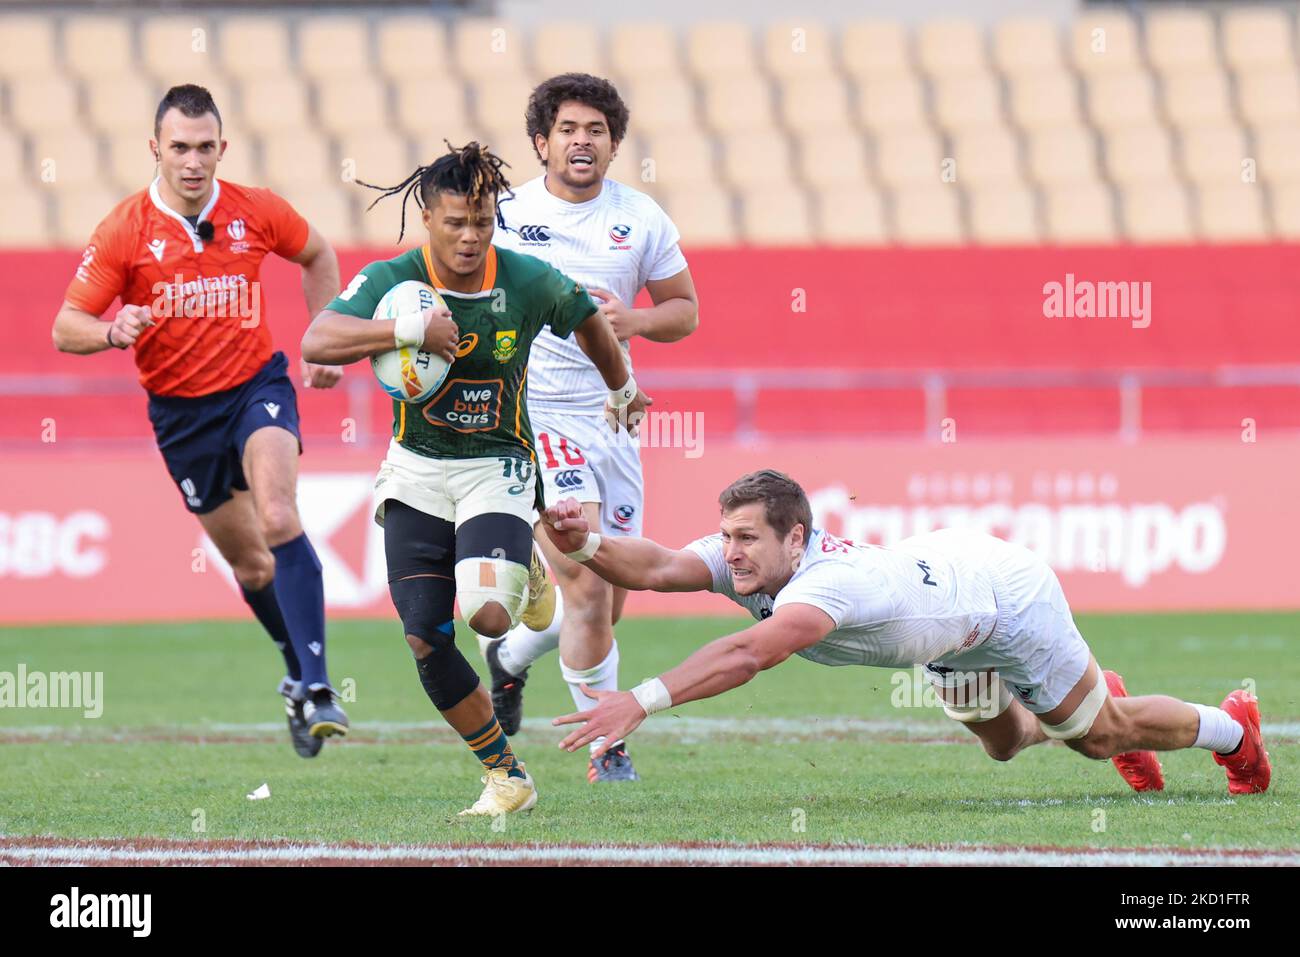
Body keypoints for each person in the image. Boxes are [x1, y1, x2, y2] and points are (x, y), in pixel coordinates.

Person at [544, 470, 1271, 796]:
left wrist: (638, 698)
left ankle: (1234, 732)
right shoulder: (751, 556)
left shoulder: (825, 587)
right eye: (726, 534)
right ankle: (1091, 700)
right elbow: (662, 565)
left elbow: (748, 652)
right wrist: (582, 544)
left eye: (745, 538)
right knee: (1008, 743)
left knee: (1098, 734)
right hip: (948, 620)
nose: (729, 552)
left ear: (796, 539)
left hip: (1002, 599)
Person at [301, 141, 647, 815]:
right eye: (456, 221)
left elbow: (589, 324)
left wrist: (624, 386)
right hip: (415, 471)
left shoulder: (526, 280)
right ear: (427, 215)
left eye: (483, 221)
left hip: (499, 465)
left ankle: (527, 573)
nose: (469, 236)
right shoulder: (394, 281)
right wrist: (407, 330)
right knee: (425, 634)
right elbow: (317, 340)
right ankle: (505, 774)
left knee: (487, 611)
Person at [52, 84, 349, 757]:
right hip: (181, 416)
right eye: (179, 147)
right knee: (250, 566)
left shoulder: (256, 209)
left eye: (205, 147)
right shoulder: (124, 230)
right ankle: (297, 677)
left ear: (223, 149)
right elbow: (65, 327)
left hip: (255, 387)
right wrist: (109, 330)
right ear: (155, 149)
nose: (193, 161)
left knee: (278, 515)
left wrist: (323, 335)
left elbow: (319, 254)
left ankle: (322, 685)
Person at [480, 73, 699, 783]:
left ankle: (511, 656)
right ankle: (608, 749)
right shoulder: (505, 215)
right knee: (582, 578)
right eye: (569, 129)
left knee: (605, 595)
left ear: (612, 144)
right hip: (533, 412)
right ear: (542, 142)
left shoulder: (640, 218)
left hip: (612, 416)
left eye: (596, 130)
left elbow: (684, 310)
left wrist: (631, 320)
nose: (583, 140)